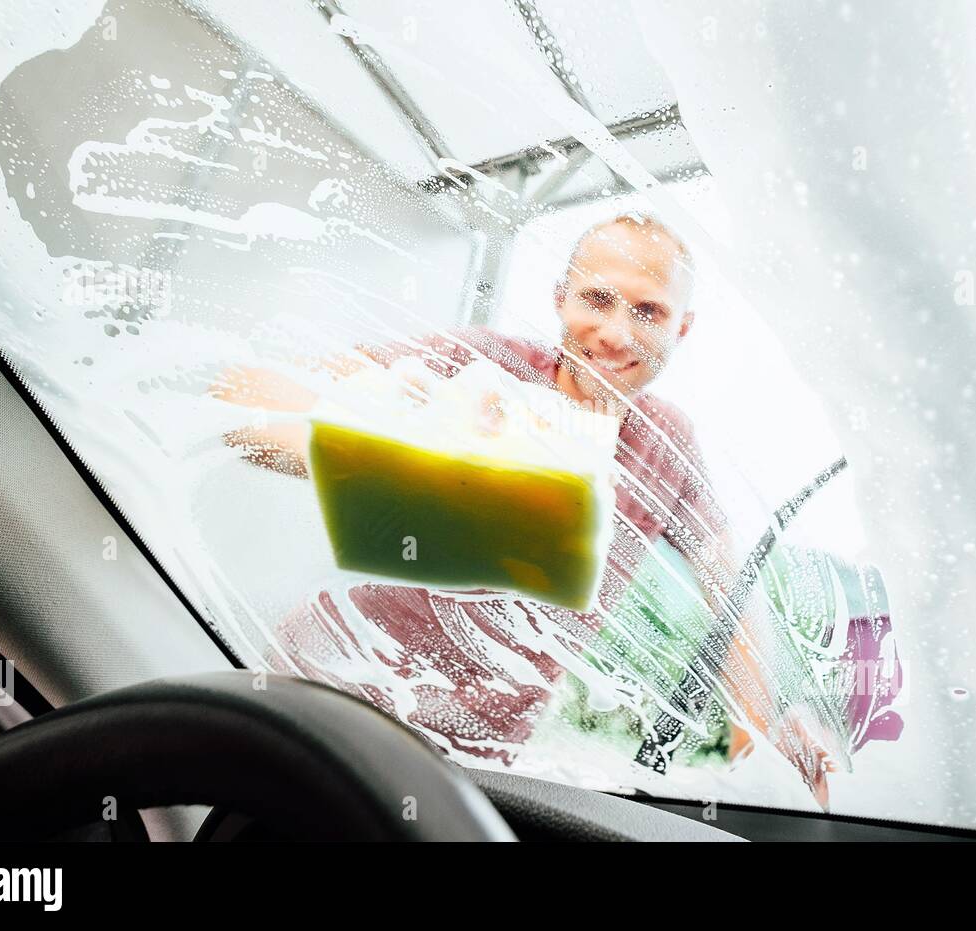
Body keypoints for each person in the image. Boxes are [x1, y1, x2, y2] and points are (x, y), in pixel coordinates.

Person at [213, 213, 841, 806]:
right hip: (327, 695)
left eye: (648, 311)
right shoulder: (485, 366)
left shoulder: (666, 445)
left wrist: (772, 727)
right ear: (561, 295)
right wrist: (424, 454)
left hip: (470, 757)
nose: (617, 333)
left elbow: (730, 588)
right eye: (597, 299)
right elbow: (247, 405)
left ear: (682, 328)